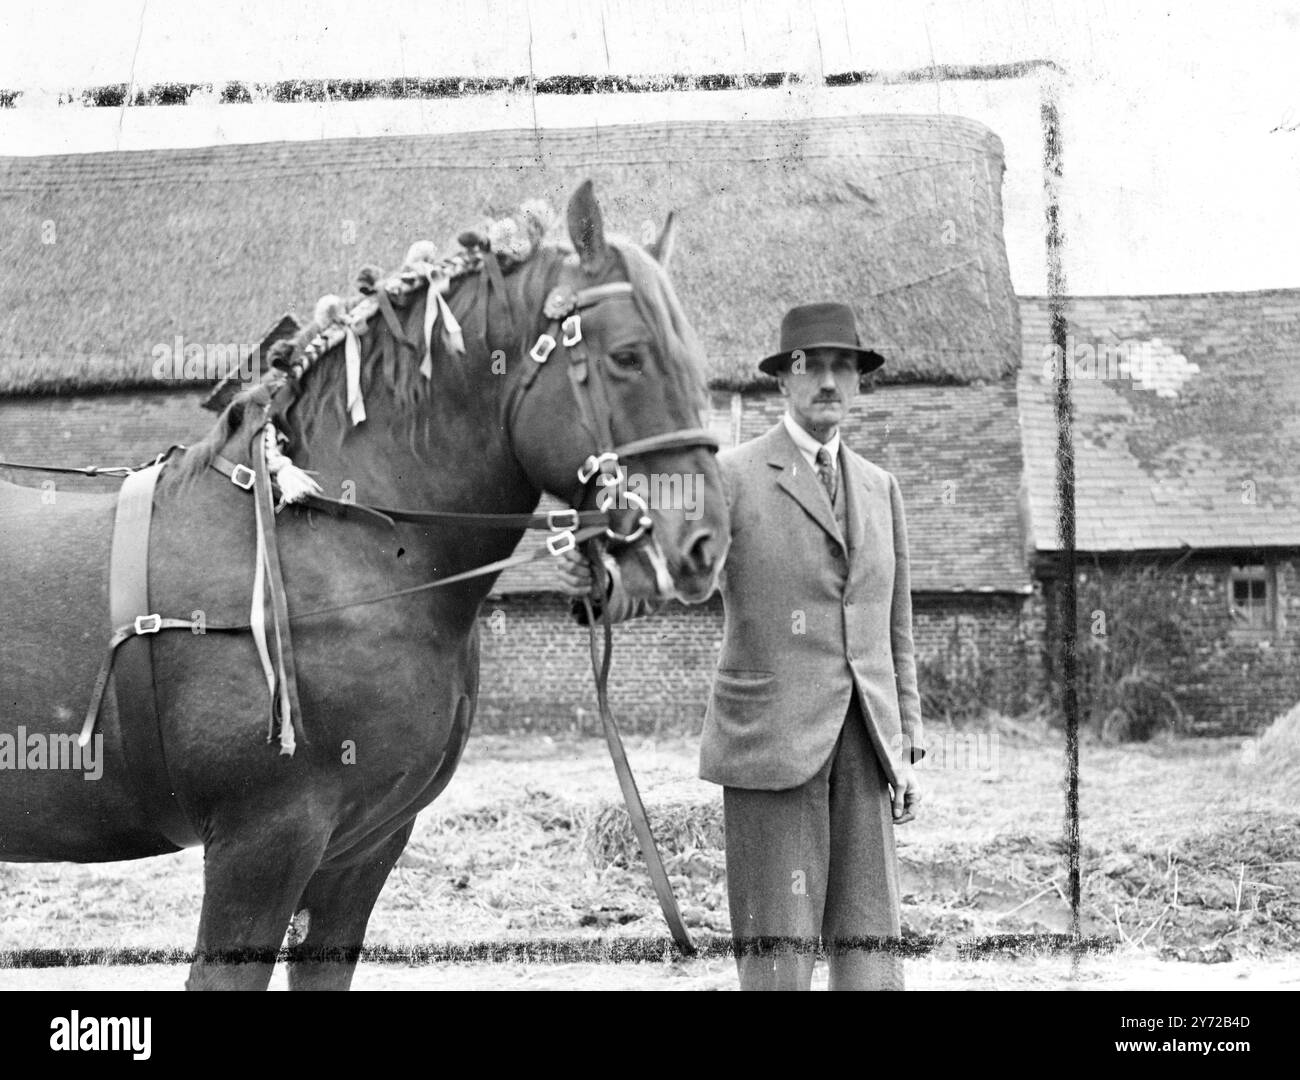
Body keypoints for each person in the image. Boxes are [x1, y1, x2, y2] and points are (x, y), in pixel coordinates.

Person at [557, 301, 924, 990]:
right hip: (770, 749)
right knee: (778, 961)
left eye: (843, 367)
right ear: (782, 380)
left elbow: (895, 630)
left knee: (873, 958)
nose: (827, 382)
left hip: (866, 747)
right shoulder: (731, 477)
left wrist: (906, 746)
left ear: (858, 383)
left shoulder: (881, 489)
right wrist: (601, 584)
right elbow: (674, 575)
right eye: (809, 366)